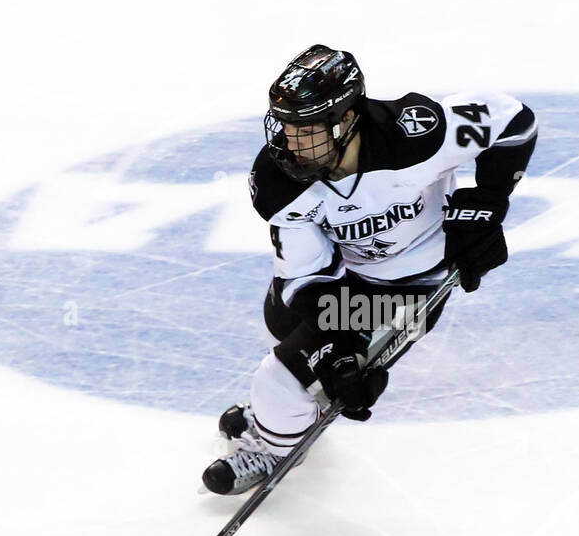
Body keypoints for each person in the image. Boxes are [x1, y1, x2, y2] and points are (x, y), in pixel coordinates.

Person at [202, 44, 537, 494]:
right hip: (349, 282)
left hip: (412, 291)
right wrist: (338, 350)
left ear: (345, 120)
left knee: (277, 382)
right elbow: (304, 278)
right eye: (284, 126)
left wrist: (486, 204)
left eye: (306, 129)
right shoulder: (280, 180)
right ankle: (287, 417)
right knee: (279, 322)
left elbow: (513, 121)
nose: (289, 141)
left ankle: (271, 446)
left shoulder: (417, 135)